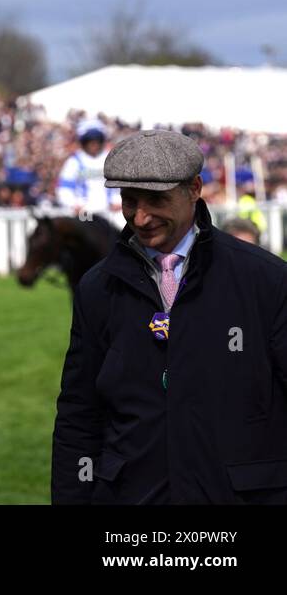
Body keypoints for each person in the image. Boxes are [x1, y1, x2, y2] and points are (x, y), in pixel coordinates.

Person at [52, 129, 287, 504]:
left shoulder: (266, 279)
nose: (141, 217)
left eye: (156, 200)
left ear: (194, 189)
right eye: (129, 200)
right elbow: (79, 414)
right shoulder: (97, 288)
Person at [56, 118, 121, 223]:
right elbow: (64, 189)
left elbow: (120, 185)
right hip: (84, 213)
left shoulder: (111, 159)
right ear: (83, 142)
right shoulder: (74, 162)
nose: (93, 144)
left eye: (97, 140)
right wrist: (73, 204)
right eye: (89, 141)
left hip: (111, 212)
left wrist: (117, 200)